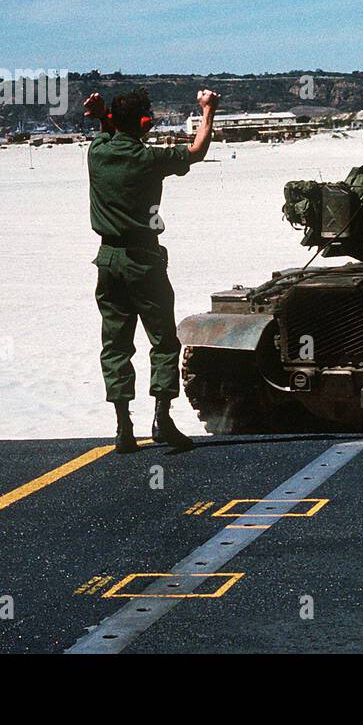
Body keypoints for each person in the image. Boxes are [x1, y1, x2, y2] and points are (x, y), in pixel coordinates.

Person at [84, 86, 217, 453]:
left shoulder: (96, 152)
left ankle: (123, 427)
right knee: (162, 342)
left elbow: (111, 135)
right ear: (144, 122)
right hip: (144, 261)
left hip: (108, 260)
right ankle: (163, 417)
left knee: (115, 344)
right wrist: (207, 111)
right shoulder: (148, 158)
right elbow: (197, 150)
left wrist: (102, 118)